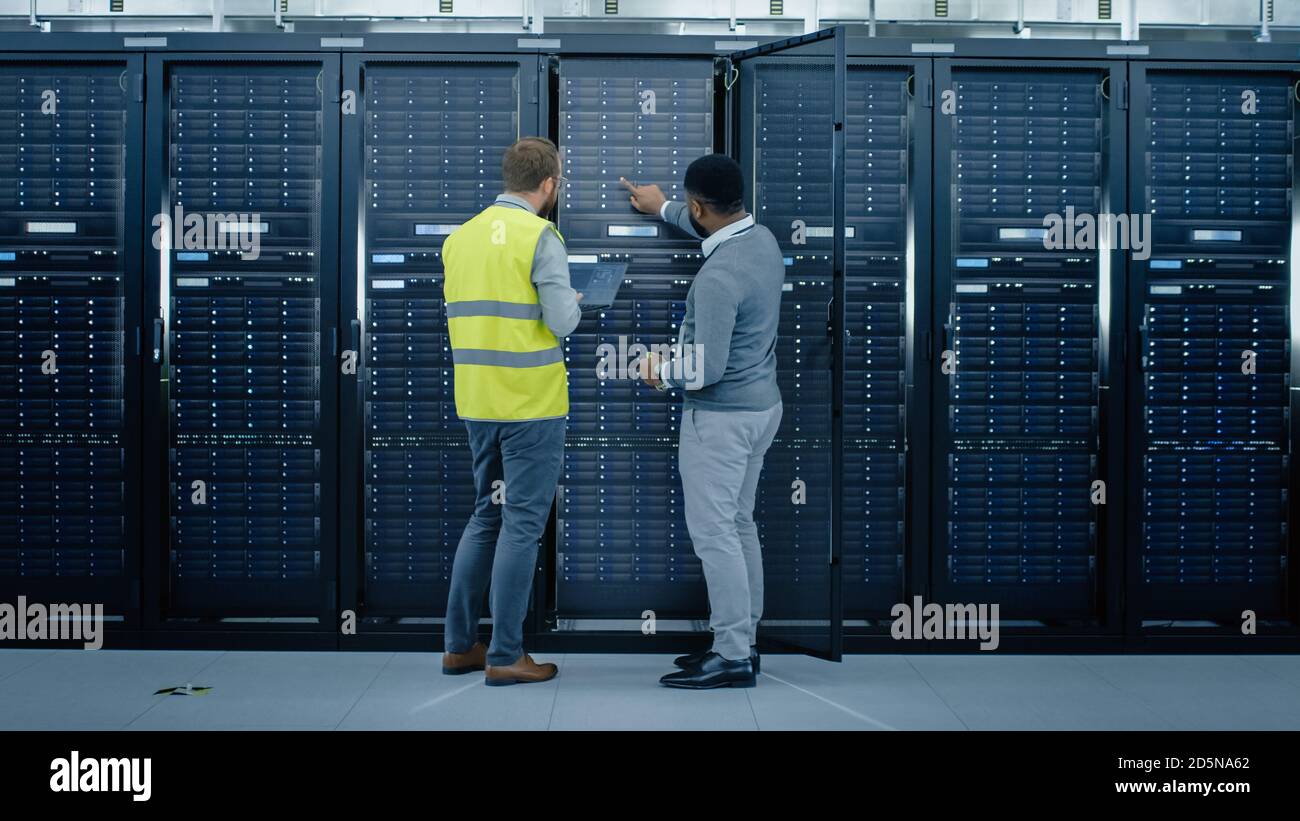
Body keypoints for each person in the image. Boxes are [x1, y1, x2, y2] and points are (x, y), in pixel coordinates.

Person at [620, 155, 785, 689]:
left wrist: (657, 369)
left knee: (715, 534)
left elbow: (706, 369)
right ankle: (742, 643)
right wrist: (661, 205)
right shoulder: (762, 241)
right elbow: (705, 224)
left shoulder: (718, 276)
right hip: (761, 408)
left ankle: (732, 655)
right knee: (739, 526)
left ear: (699, 205)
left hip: (721, 419)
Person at [440, 137, 581, 686]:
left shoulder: (461, 238)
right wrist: (576, 300)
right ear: (548, 184)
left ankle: (459, 647)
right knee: (522, 524)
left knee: (485, 516)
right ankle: (505, 654)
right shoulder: (539, 236)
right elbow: (562, 321)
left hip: (478, 400)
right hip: (531, 404)